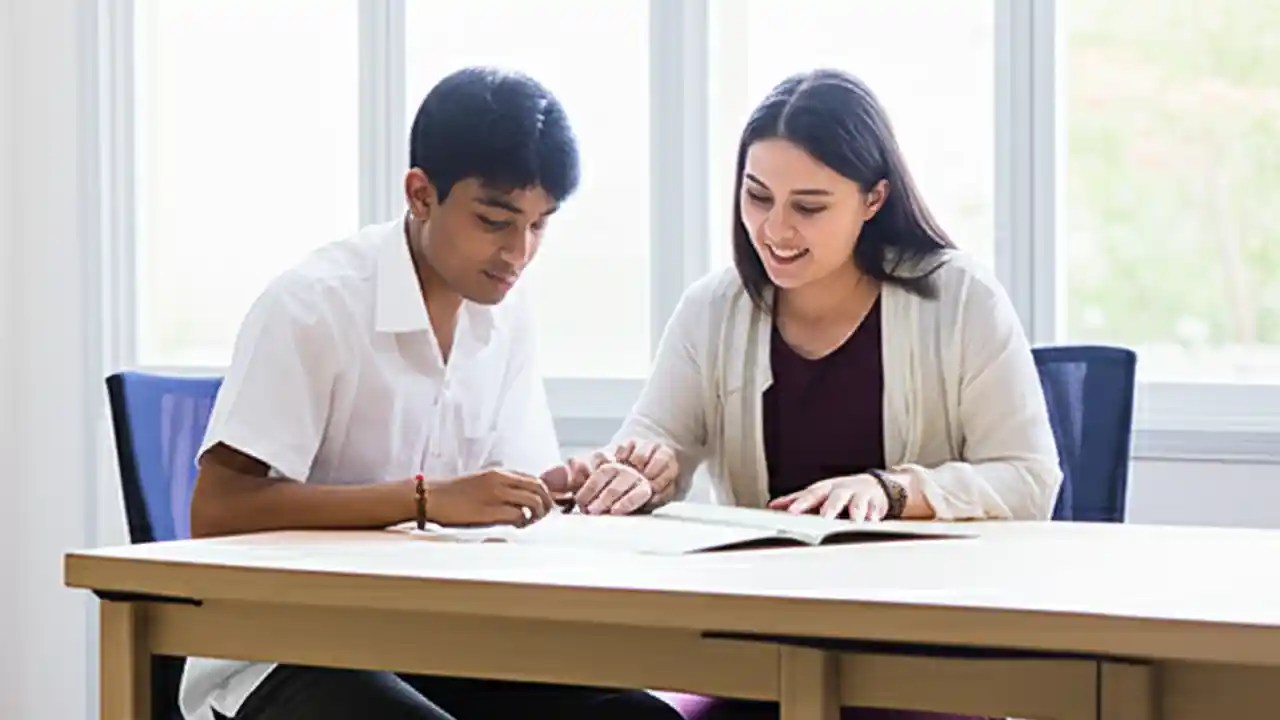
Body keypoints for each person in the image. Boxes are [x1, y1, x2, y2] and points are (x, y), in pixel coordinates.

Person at [182, 67, 682, 720]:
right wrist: (427, 500)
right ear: (420, 194)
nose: (518, 253)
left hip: (440, 641)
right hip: (285, 650)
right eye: (495, 220)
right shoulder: (313, 306)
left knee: (638, 717)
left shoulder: (504, 313)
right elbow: (217, 509)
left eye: (540, 226)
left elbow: (504, 496)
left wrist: (565, 484)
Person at [563, 69, 1062, 720]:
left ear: (874, 199)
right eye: (757, 196)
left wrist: (892, 490)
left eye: (809, 206)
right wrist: (639, 473)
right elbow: (657, 442)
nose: (774, 230)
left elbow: (1029, 482)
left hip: (921, 659)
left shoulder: (960, 298)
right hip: (761, 656)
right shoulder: (713, 310)